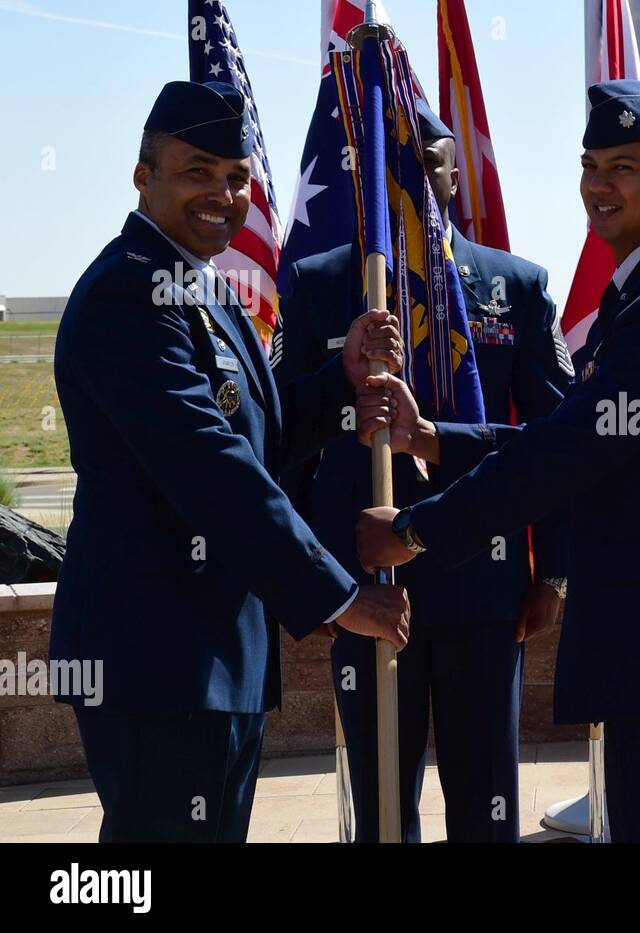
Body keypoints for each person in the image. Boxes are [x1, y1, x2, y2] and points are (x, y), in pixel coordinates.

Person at [355, 79, 640, 843]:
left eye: (625, 165)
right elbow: (581, 436)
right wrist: (435, 441)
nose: (599, 184)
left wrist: (420, 529)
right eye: (591, 164)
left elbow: (562, 455)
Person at [50, 80, 410, 843]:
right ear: (142, 174)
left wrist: (335, 385)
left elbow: (252, 433)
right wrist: (340, 598)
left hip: (213, 659)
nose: (222, 194)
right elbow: (210, 466)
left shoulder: (200, 288)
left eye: (236, 177)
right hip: (158, 659)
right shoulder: (130, 293)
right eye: (197, 171)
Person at [276, 101, 572, 842]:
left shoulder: (517, 286)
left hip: (484, 585)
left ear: (452, 174)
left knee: (487, 807)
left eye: (430, 164)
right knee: (381, 812)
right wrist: (314, 571)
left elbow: (556, 444)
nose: (415, 180)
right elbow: (279, 439)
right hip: (371, 591)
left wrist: (554, 572)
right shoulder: (318, 285)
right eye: (395, 168)